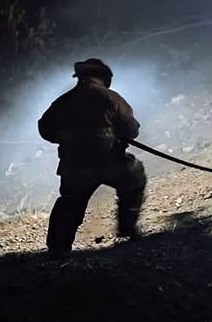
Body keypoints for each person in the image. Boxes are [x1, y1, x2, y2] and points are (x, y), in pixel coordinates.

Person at [38, 58, 146, 258]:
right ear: (104, 78)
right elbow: (131, 129)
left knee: (69, 203)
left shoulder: (63, 101)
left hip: (74, 166)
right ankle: (127, 230)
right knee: (134, 176)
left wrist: (67, 139)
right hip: (109, 162)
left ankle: (57, 249)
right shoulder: (111, 98)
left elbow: (44, 128)